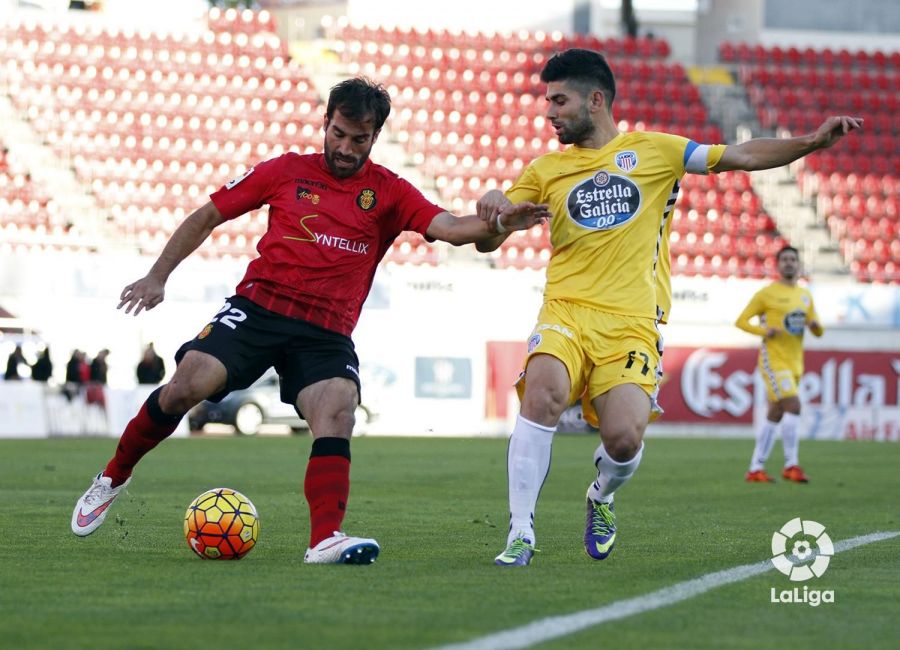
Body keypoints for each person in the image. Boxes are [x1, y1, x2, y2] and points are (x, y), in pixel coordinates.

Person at [70, 77, 549, 565]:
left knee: (338, 409)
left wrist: (498, 224)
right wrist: (157, 275)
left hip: (325, 332)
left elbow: (448, 228)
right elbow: (207, 215)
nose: (345, 147)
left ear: (375, 138)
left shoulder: (388, 191)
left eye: (358, 140)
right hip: (259, 309)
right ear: (325, 123)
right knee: (185, 386)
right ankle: (112, 476)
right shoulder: (285, 171)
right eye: (338, 133)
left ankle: (324, 539)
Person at [474, 48, 861, 566]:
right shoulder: (544, 170)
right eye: (548, 101)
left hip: (634, 323)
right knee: (542, 395)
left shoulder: (657, 151)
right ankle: (520, 533)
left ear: (595, 100)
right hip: (565, 310)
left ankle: (601, 496)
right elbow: (491, 234)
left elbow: (740, 156)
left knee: (624, 438)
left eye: (559, 100)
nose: (550, 112)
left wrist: (811, 142)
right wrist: (497, 208)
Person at [735, 246, 822, 483]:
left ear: (798, 264)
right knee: (793, 405)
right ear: (778, 264)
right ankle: (791, 465)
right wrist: (764, 330)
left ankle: (755, 469)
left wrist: (815, 327)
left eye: (793, 259)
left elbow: (819, 329)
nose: (789, 263)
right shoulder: (767, 293)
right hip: (773, 360)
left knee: (775, 412)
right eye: (784, 259)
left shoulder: (805, 295)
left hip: (795, 362)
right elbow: (741, 321)